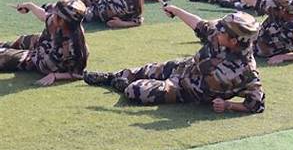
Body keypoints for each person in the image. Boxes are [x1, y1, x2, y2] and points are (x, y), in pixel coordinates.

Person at [83, 9, 265, 114]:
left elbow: (256, 104)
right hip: (183, 67)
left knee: (136, 91)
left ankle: (122, 85)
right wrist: (175, 10)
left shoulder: (247, 72)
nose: (218, 31)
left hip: (182, 91)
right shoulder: (220, 36)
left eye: (223, 31)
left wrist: (227, 105)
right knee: (144, 70)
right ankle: (111, 78)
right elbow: (199, 23)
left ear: (234, 40)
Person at [0, 0, 89, 86]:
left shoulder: (75, 47)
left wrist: (55, 76)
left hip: (38, 60)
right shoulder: (63, 21)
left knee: (4, 55)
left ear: (62, 20)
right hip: (42, 42)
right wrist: (29, 5)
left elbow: (79, 74)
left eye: (56, 14)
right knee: (20, 40)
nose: (53, 14)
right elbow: (44, 15)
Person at [229, 0, 293, 65]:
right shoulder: (278, 11)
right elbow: (259, 2)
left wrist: (282, 57)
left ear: (284, 10)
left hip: (257, 49)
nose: (272, 7)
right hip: (256, 35)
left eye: (276, 6)